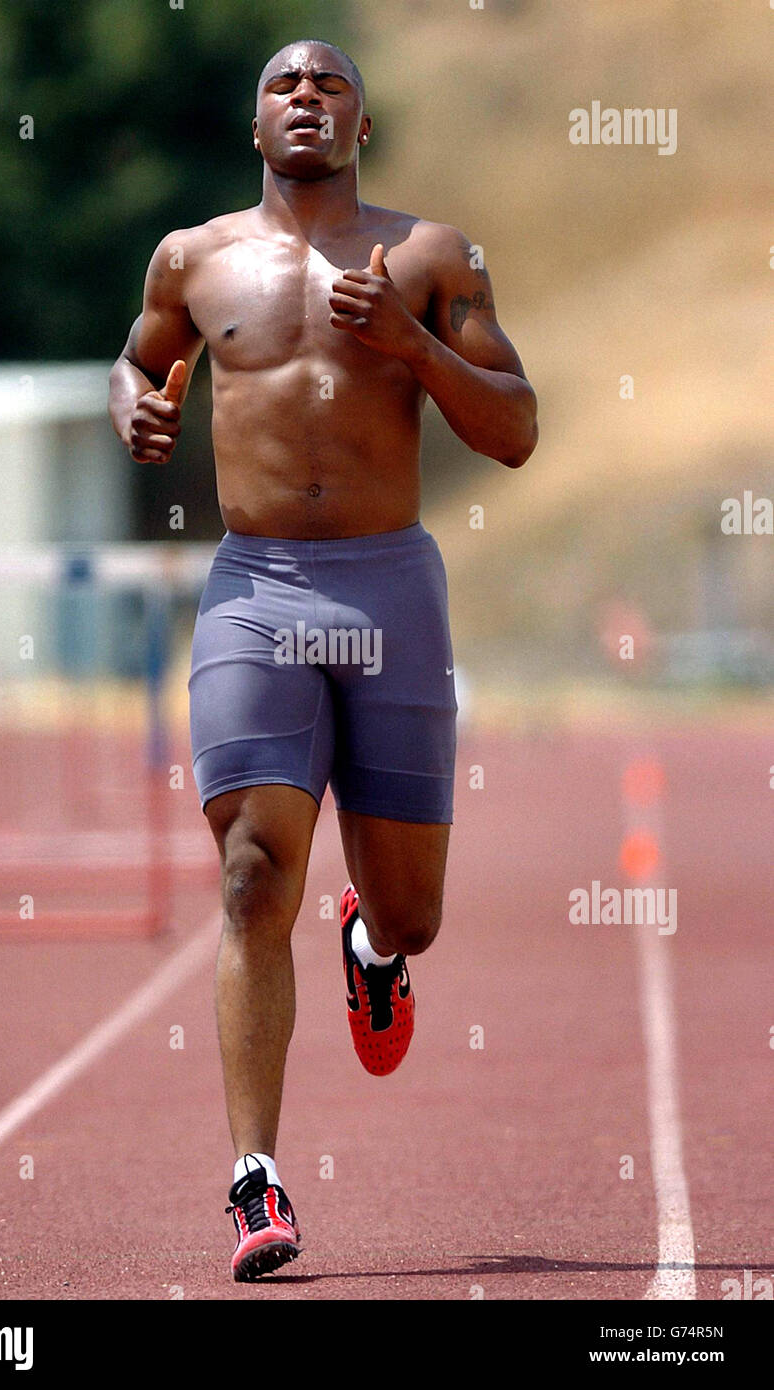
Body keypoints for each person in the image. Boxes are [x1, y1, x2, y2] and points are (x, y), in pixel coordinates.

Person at [108, 37, 537, 1282]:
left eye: (330, 82)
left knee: (413, 908)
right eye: (283, 84)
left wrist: (412, 346)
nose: (306, 96)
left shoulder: (431, 256)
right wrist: (129, 400)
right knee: (251, 873)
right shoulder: (189, 259)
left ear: (364, 122)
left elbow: (513, 428)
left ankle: (373, 948)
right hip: (257, 587)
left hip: (388, 585)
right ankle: (257, 1182)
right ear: (256, 128)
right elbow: (139, 362)